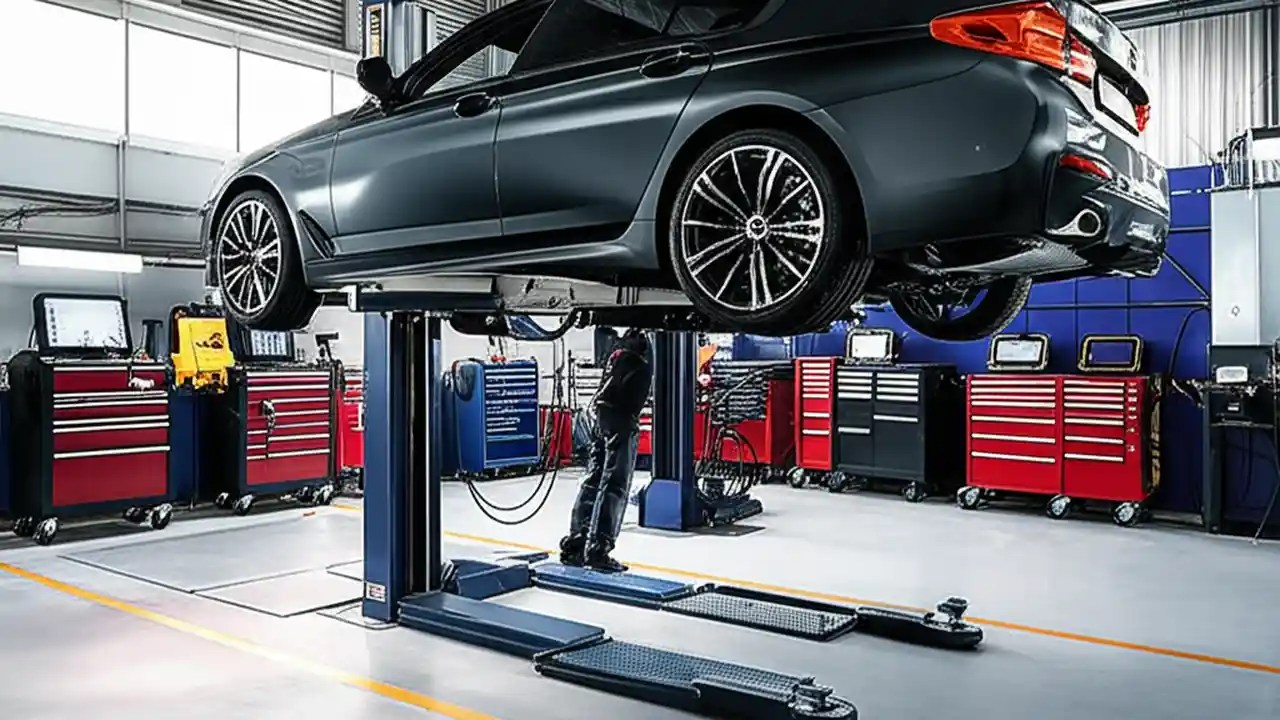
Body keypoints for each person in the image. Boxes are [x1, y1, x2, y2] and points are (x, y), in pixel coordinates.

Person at [560, 329, 653, 573]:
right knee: (615, 485)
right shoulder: (644, 355)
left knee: (593, 480)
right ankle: (599, 550)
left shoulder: (616, 350)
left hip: (601, 418)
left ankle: (576, 544)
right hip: (622, 421)